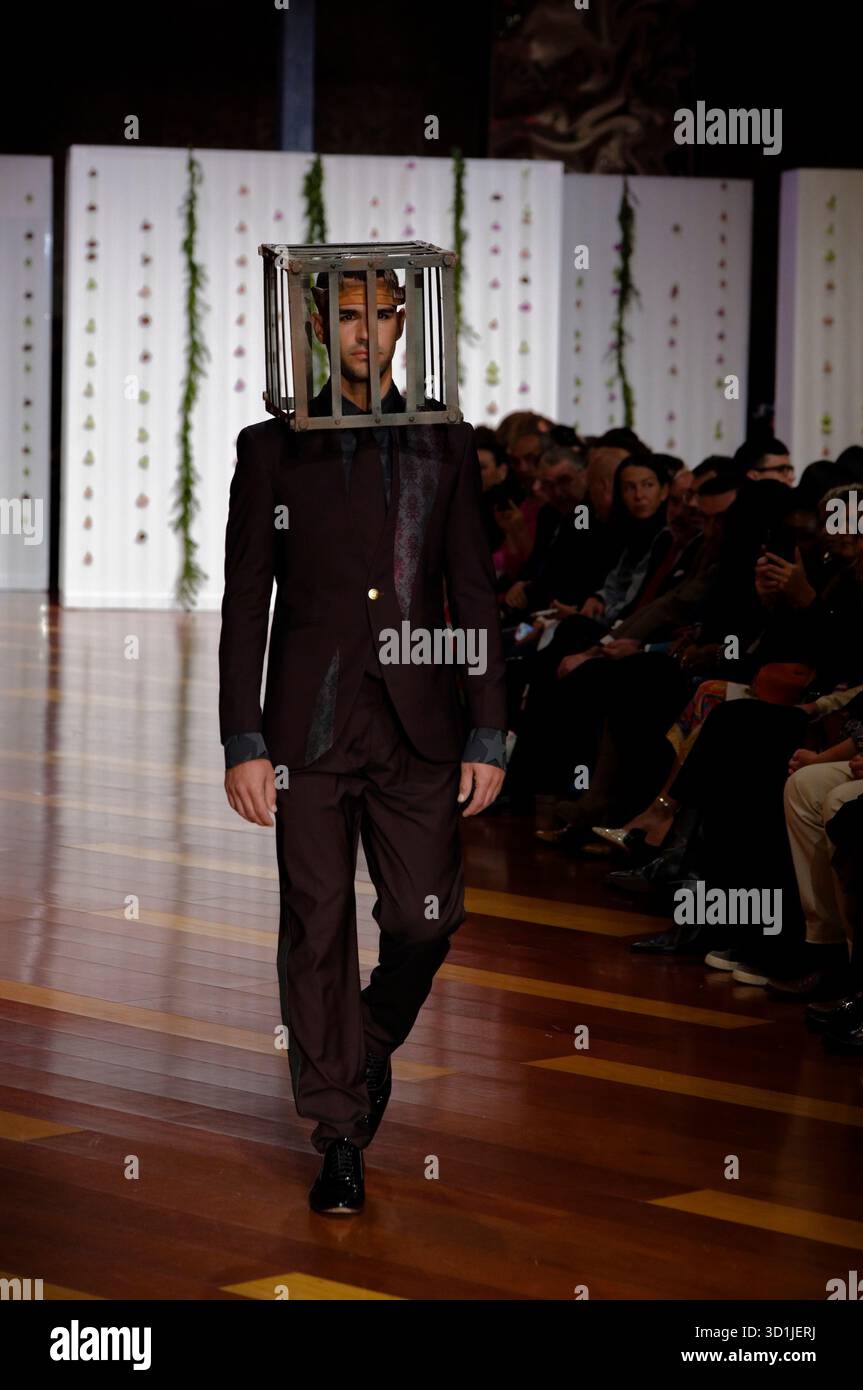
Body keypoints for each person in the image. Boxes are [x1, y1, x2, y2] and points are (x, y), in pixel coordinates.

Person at [218, 266, 506, 1215]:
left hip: (419, 721)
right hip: (309, 725)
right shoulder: (271, 448)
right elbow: (245, 599)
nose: (367, 333)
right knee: (316, 924)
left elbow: (472, 587)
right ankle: (338, 1130)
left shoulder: (443, 440)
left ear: (405, 324)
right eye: (348, 316)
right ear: (314, 325)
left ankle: (368, 1038)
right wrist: (243, 737)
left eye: (384, 315)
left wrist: (490, 727)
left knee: (426, 918)